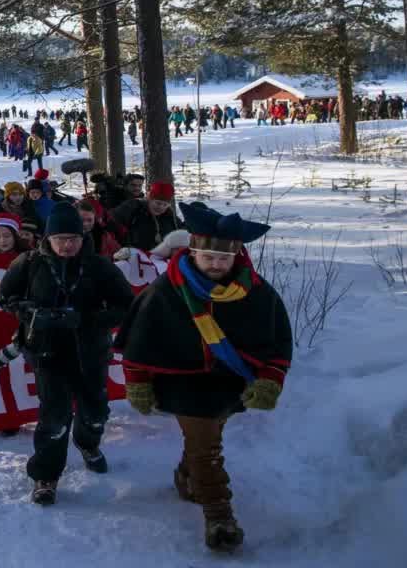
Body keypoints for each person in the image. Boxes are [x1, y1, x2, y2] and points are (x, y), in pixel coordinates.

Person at [115, 203, 291, 552]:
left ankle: (186, 476)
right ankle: (219, 516)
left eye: (223, 259)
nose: (215, 264)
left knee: (206, 440)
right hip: (182, 383)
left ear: (235, 257)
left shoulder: (255, 291)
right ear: (192, 252)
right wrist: (137, 382)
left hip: (228, 382)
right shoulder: (166, 290)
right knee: (207, 446)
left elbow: (277, 340)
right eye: (208, 257)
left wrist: (270, 379)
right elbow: (139, 338)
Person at [0, 202, 136, 505]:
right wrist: (28, 310)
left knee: (95, 412)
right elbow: (6, 296)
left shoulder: (100, 266)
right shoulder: (29, 263)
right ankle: (45, 475)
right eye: (60, 238)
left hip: (90, 351)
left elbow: (126, 306)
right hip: (48, 351)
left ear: (82, 237)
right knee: (55, 417)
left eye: (73, 238)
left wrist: (86, 319)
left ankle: (88, 443)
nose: (67, 244)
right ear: (48, 238)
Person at [110, 181, 181, 253]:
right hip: (130, 255)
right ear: (149, 199)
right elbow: (111, 222)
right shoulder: (133, 208)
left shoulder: (170, 216)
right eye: (158, 203)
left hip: (160, 260)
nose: (161, 207)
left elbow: (182, 232)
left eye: (165, 204)